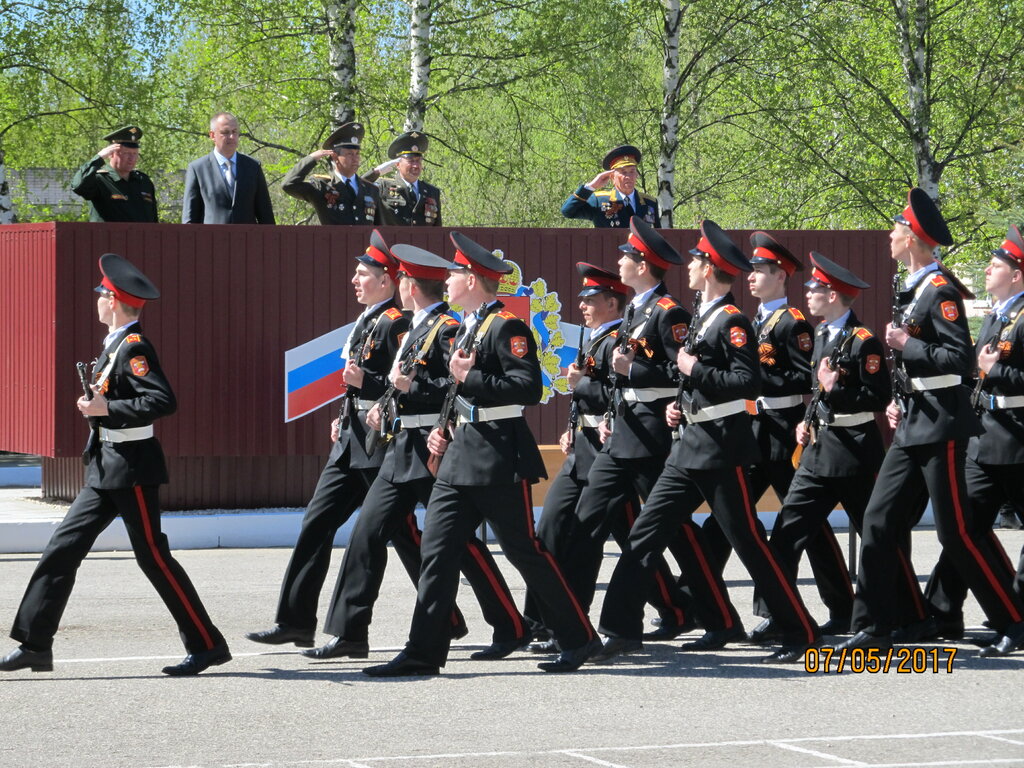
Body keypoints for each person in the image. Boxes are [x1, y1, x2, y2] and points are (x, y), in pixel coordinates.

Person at [362, 232, 600, 677]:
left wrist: (471, 381)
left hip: (497, 457)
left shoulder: (506, 326)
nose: (447, 281)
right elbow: (454, 390)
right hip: (459, 457)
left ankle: (580, 637)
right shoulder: (469, 325)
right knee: (437, 550)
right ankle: (424, 652)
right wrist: (442, 429)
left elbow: (527, 388)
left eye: (453, 274)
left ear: (471, 279)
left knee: (523, 552)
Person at [593, 219, 820, 665]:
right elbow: (690, 370)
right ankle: (621, 629)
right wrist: (682, 400)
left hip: (720, 446)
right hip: (689, 441)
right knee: (646, 531)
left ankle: (800, 630)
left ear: (710, 268)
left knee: (749, 541)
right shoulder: (704, 315)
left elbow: (745, 380)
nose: (690, 267)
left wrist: (695, 373)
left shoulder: (733, 320)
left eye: (697, 261)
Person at [0, 253, 229, 676]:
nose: (98, 299)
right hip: (106, 466)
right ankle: (35, 643)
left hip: (132, 468)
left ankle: (207, 643)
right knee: (62, 549)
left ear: (115, 301)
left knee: (154, 559)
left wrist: (109, 406)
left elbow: (162, 400)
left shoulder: (134, 347)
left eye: (102, 293)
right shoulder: (116, 345)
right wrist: (97, 408)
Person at [302, 243, 528, 661]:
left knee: (459, 546)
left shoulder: (443, 328)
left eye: (402, 278)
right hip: (402, 445)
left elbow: (450, 389)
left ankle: (509, 624)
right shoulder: (420, 325)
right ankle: (351, 631)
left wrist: (408, 392)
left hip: (431, 447)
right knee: (368, 533)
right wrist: (384, 406)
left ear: (407, 283)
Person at [835, 189, 1024, 657]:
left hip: (942, 425)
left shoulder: (940, 290)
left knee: (955, 532)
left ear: (914, 238)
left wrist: (904, 344)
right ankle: (878, 624)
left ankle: (1012, 620)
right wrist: (900, 397)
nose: (891, 235)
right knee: (877, 521)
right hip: (915, 421)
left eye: (897, 229)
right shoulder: (917, 286)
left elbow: (958, 360)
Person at [246, 231, 431, 648]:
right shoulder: (367, 320)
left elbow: (405, 384)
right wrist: (345, 413)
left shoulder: (395, 324)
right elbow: (358, 388)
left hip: (378, 444)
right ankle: (294, 620)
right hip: (350, 440)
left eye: (363, 273)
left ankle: (443, 617)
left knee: (393, 534)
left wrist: (367, 382)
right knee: (317, 522)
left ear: (386, 280)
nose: (354, 279)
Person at [556, 220, 714, 640]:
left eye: (626, 256)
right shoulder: (634, 311)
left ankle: (711, 611)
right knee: (586, 520)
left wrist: (634, 370)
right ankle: (571, 623)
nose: (620, 262)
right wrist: (610, 407)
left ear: (642, 265)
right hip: (622, 433)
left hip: (651, 436)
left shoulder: (669, 312)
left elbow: (679, 372)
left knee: (673, 533)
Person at [524, 262, 692, 652]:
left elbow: (615, 390)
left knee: (639, 536)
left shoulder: (629, 329)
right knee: (560, 529)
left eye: (591, 299)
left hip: (621, 445)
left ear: (613, 303)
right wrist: (575, 420)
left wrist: (582, 389)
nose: (582, 305)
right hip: (591, 447)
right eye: (582, 299)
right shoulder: (603, 334)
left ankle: (679, 608)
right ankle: (550, 621)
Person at [750, 252, 919, 636]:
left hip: (856, 452)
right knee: (789, 532)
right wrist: (807, 421)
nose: (808, 294)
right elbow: (817, 393)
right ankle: (783, 616)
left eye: (815, 289)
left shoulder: (864, 342)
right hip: (819, 449)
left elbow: (876, 398)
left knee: (878, 537)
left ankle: (907, 614)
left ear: (833, 294)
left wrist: (835, 387)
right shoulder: (823, 334)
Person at [703, 233, 854, 642]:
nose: (750, 278)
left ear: (780, 276)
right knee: (725, 521)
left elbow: (806, 377)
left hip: (785, 433)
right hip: (753, 431)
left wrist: (756, 379)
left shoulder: (793, 322)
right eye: (750, 271)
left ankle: (842, 608)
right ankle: (706, 605)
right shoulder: (750, 321)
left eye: (759, 272)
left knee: (807, 529)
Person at [922, 224, 1024, 645]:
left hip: (1018, 439)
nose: (986, 269)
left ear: (1017, 274)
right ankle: (942, 614)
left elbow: (998, 373)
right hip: (984, 438)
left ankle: (1017, 616)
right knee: (960, 529)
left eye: (995, 264)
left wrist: (992, 371)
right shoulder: (996, 316)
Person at [181, 112, 275, 224]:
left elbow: (266, 216)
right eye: (225, 132)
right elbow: (189, 220)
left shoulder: (253, 167)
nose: (231, 137)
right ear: (212, 135)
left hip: (247, 239)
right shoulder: (198, 169)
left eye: (234, 132)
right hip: (211, 239)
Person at [282, 121, 382, 225]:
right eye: (349, 154)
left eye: (357, 154)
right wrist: (311, 159)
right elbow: (288, 184)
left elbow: (380, 229)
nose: (355, 159)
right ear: (335, 157)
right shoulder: (321, 187)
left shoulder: (371, 189)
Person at [71, 126, 158, 222]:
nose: (131, 158)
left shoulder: (143, 181)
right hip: (109, 236)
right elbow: (78, 186)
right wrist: (99, 157)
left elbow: (153, 219)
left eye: (135, 154)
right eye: (126, 153)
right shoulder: (99, 179)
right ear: (111, 154)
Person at [561, 145, 659, 229]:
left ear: (637, 175)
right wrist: (591, 186)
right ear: (612, 177)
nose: (628, 176)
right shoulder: (599, 200)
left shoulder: (649, 202)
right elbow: (568, 211)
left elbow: (660, 234)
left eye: (632, 171)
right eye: (623, 172)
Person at [364, 131, 441, 226]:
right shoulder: (383, 187)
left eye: (418, 161)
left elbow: (437, 230)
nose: (416, 166)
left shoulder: (431, 192)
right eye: (411, 161)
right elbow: (357, 189)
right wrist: (375, 173)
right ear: (397, 164)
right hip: (393, 240)